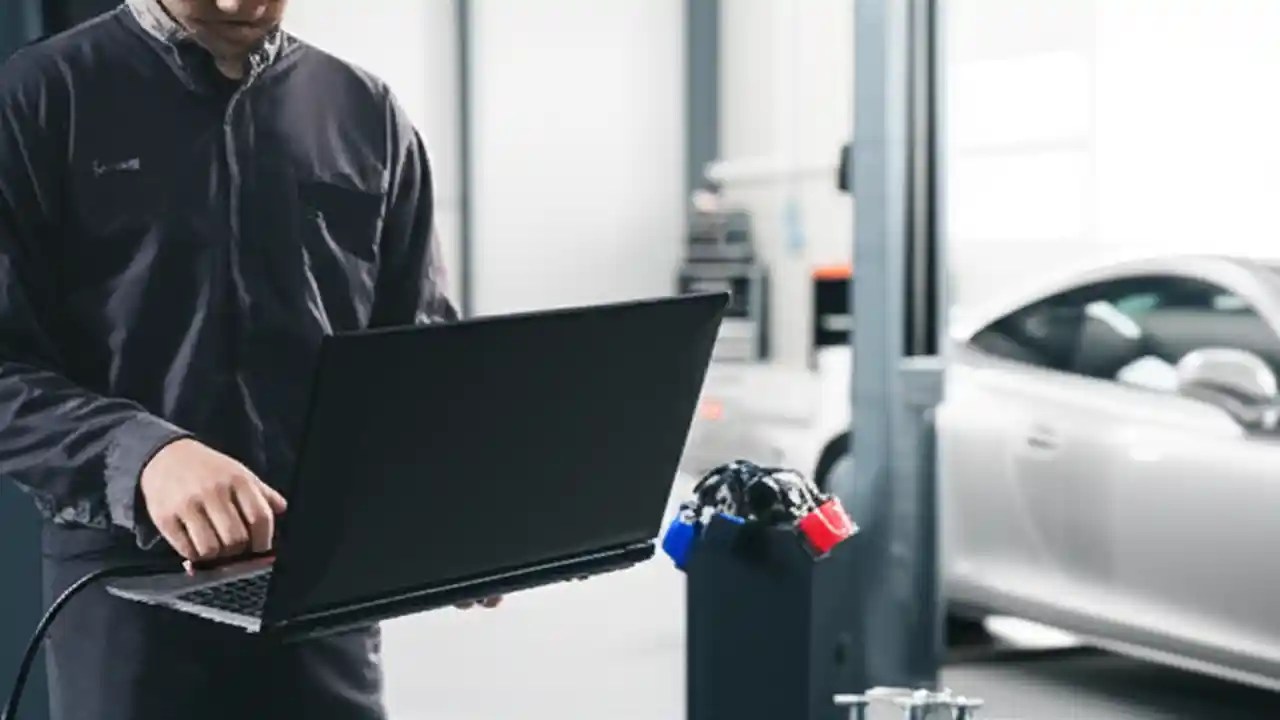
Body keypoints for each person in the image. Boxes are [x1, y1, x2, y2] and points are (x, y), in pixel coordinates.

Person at [0, 1, 499, 718]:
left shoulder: (364, 112)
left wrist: (452, 495)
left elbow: (414, 355)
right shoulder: (40, 98)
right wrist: (142, 456)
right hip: (127, 593)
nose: (244, 2)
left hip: (319, 591)